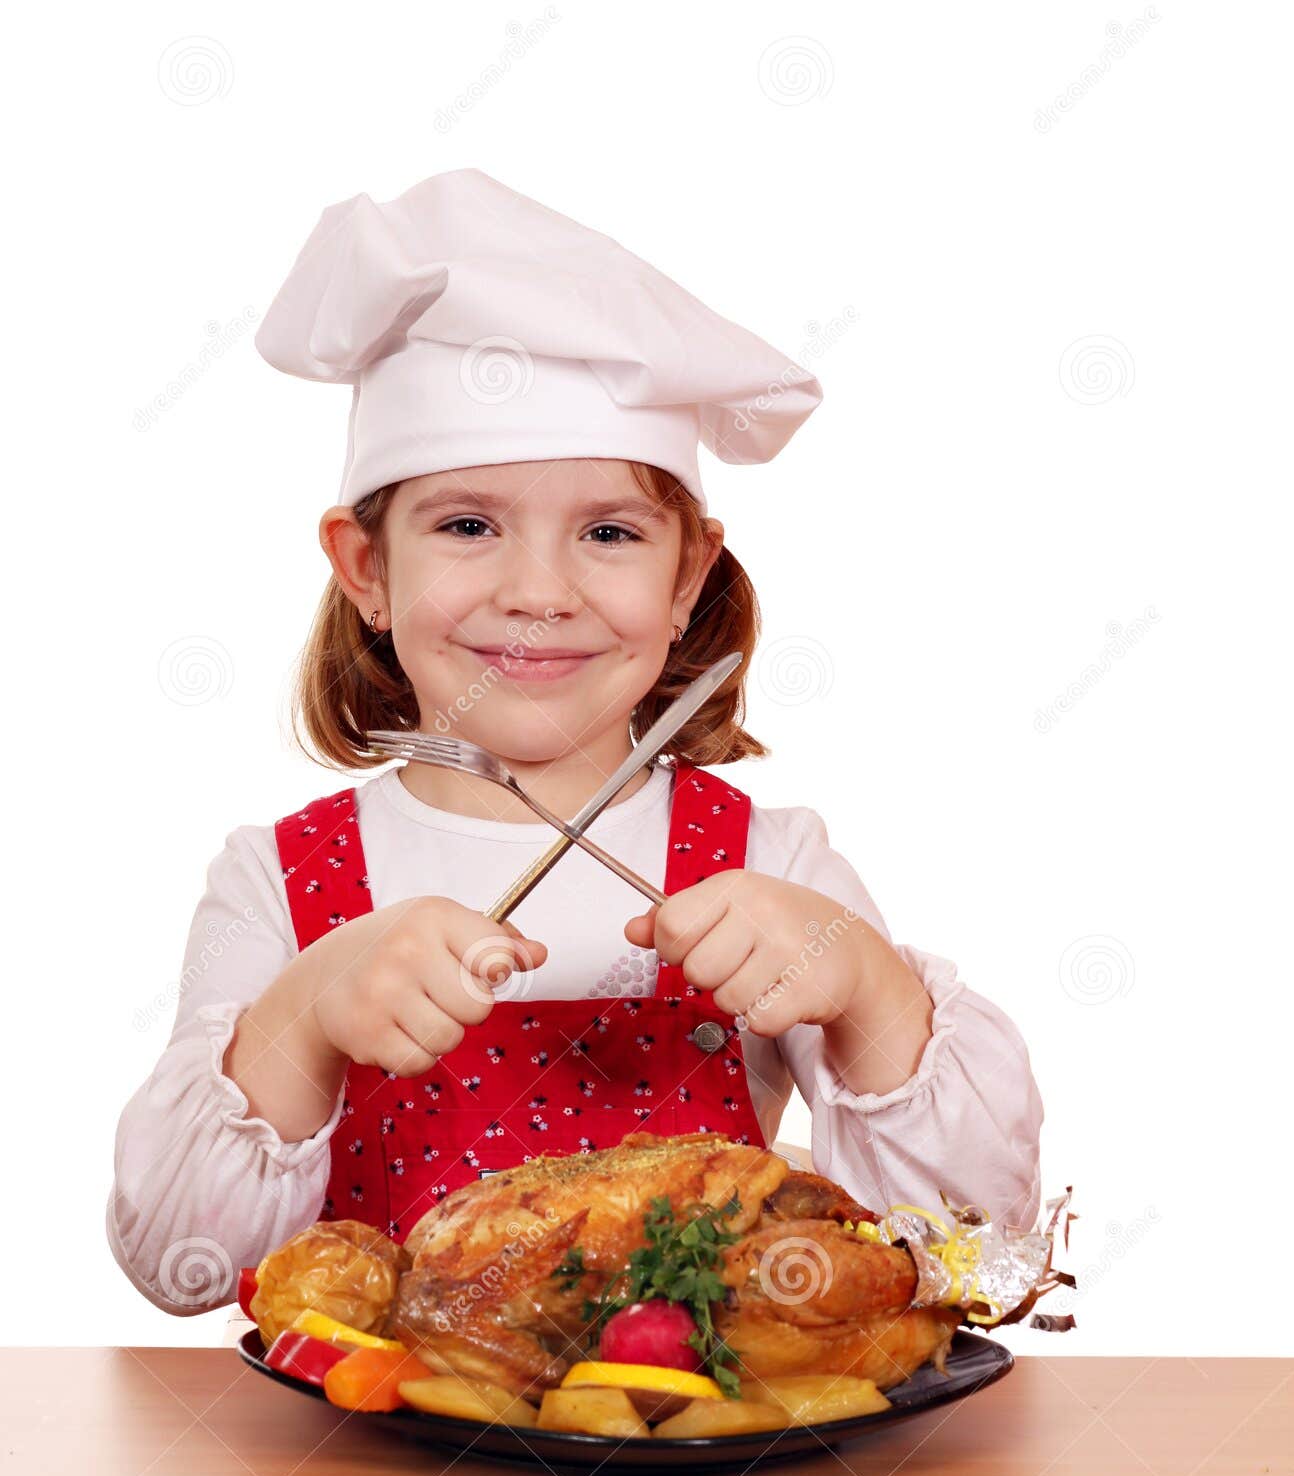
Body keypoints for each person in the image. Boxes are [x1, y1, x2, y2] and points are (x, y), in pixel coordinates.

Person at [108, 169, 1042, 1316]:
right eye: (466, 525)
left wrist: (869, 992)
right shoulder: (277, 882)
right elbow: (175, 1271)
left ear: (688, 573)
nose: (539, 592)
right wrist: (303, 1020)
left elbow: (969, 1256)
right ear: (366, 569)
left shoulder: (778, 863)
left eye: (608, 531)